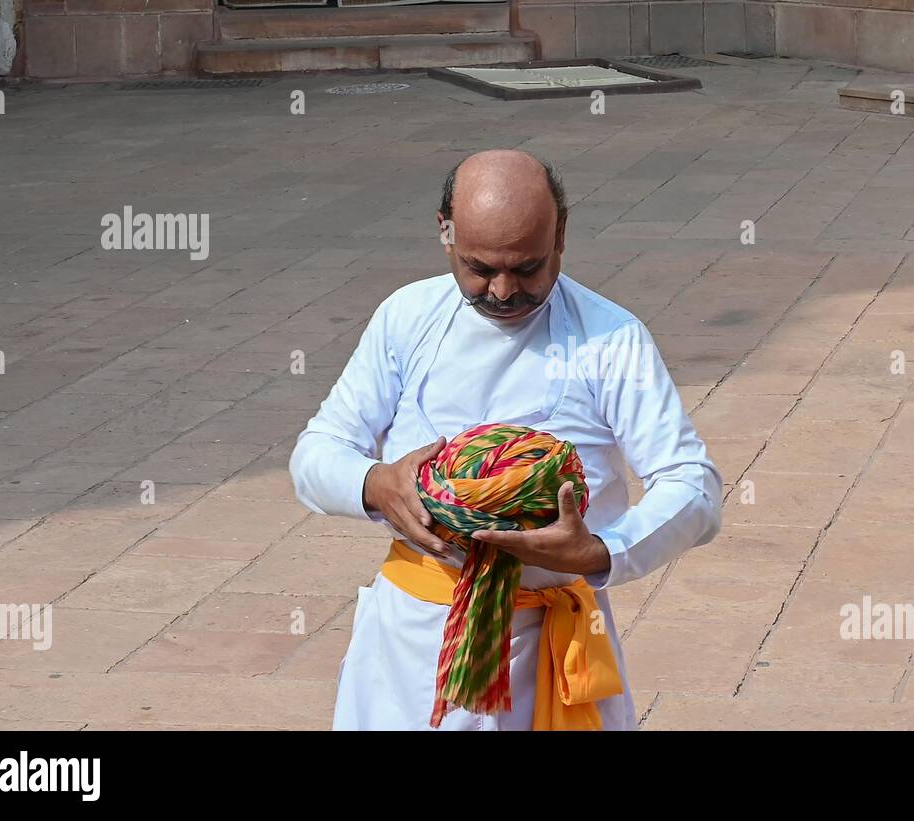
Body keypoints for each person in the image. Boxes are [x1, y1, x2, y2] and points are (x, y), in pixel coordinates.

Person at [289, 149, 722, 730]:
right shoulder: (406, 317)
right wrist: (375, 483)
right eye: (479, 267)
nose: (501, 290)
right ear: (444, 232)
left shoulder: (611, 338)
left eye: (526, 268)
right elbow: (315, 454)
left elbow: (693, 486)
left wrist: (598, 552)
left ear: (561, 235)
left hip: (551, 646)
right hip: (412, 649)